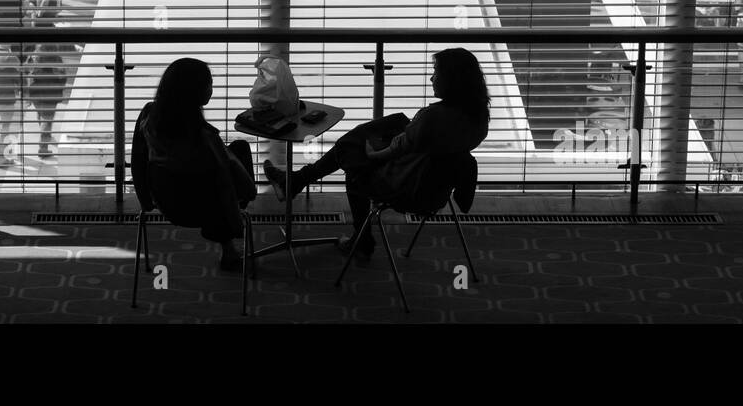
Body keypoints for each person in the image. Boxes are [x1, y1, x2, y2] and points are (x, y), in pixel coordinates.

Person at [262, 47, 490, 261]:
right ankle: (295, 181)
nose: (432, 79)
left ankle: (361, 241)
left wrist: (373, 154)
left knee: (351, 161)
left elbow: (397, 148)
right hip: (434, 189)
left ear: (452, 80)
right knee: (379, 131)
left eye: (436, 73)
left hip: (406, 184)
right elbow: (420, 144)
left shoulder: (433, 118)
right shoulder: (478, 119)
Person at [131, 58, 257, 272]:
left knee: (210, 178)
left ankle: (228, 246)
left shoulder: (149, 116)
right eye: (208, 85)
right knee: (238, 151)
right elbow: (247, 190)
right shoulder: (205, 138)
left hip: (167, 202)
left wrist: (145, 200)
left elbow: (138, 160)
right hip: (204, 209)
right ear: (194, 92)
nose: (211, 90)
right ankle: (229, 245)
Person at [25, 42, 69, 160]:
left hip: (35, 92)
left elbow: (27, 72)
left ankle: (46, 135)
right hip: (51, 93)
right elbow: (62, 76)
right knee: (47, 120)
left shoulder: (33, 57)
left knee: (41, 114)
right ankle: (43, 149)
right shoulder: (57, 59)